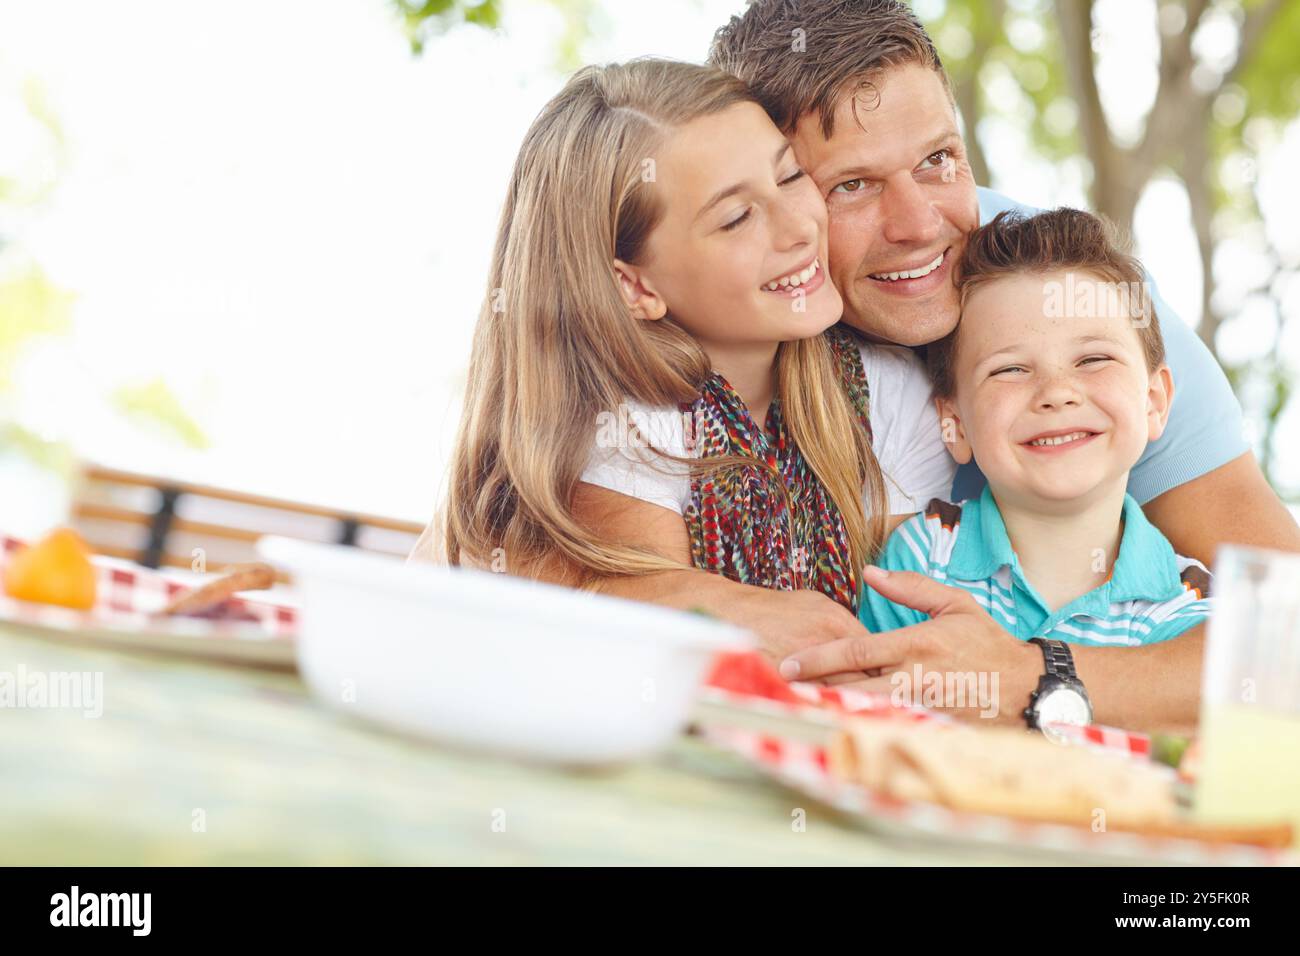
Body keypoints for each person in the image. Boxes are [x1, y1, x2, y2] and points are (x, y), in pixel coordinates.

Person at [581, 0, 1299, 734]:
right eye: (850, 186)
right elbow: (574, 569)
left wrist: (1036, 676)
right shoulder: (703, 312)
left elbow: (1287, 636)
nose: (920, 225)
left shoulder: (1080, 310)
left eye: (938, 160)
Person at [423, 59, 954, 624]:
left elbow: (895, 620)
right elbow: (661, 645)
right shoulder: (624, 429)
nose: (799, 228)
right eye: (736, 217)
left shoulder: (891, 393)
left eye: (790, 176)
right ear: (634, 285)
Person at [860, 207, 1211, 657]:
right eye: (1010, 369)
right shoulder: (918, 563)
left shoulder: (1192, 613)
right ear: (955, 425)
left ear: (1154, 401)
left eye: (1093, 360)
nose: (1057, 393)